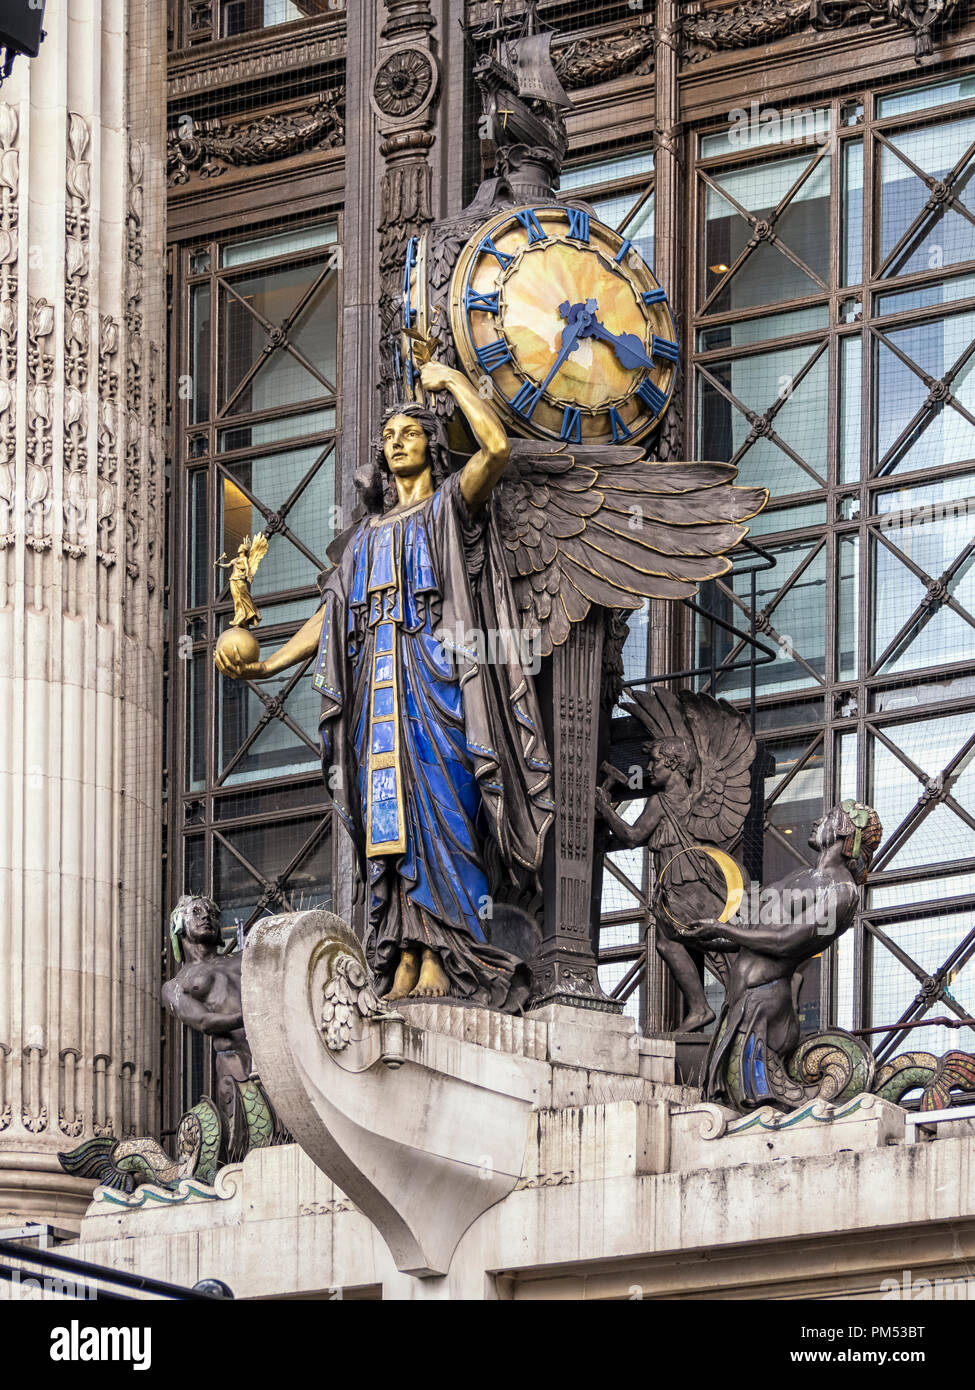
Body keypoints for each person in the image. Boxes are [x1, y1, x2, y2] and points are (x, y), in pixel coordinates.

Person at [214, 362, 554, 1009]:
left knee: (444, 808)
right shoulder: (366, 537)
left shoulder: (449, 507)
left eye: (408, 433)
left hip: (439, 688)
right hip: (377, 694)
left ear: (431, 442)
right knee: (386, 821)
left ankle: (446, 953)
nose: (395, 442)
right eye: (388, 435)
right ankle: (401, 950)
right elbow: (331, 617)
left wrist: (451, 381)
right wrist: (268, 665)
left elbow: (498, 449)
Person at [681, 800, 883, 1110]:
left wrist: (722, 930)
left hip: (764, 1009)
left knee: (755, 1107)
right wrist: (699, 935)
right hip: (740, 1005)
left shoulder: (842, 892)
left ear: (843, 832)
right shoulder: (803, 875)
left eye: (828, 816)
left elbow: (784, 941)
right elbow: (752, 935)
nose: (818, 821)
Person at [162, 896, 252, 1118]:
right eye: (196, 912)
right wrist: (252, 1015)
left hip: (269, 1051)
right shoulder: (175, 986)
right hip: (234, 1063)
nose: (206, 916)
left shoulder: (243, 957)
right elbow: (204, 1021)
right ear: (179, 925)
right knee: (247, 1136)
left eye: (212, 913)